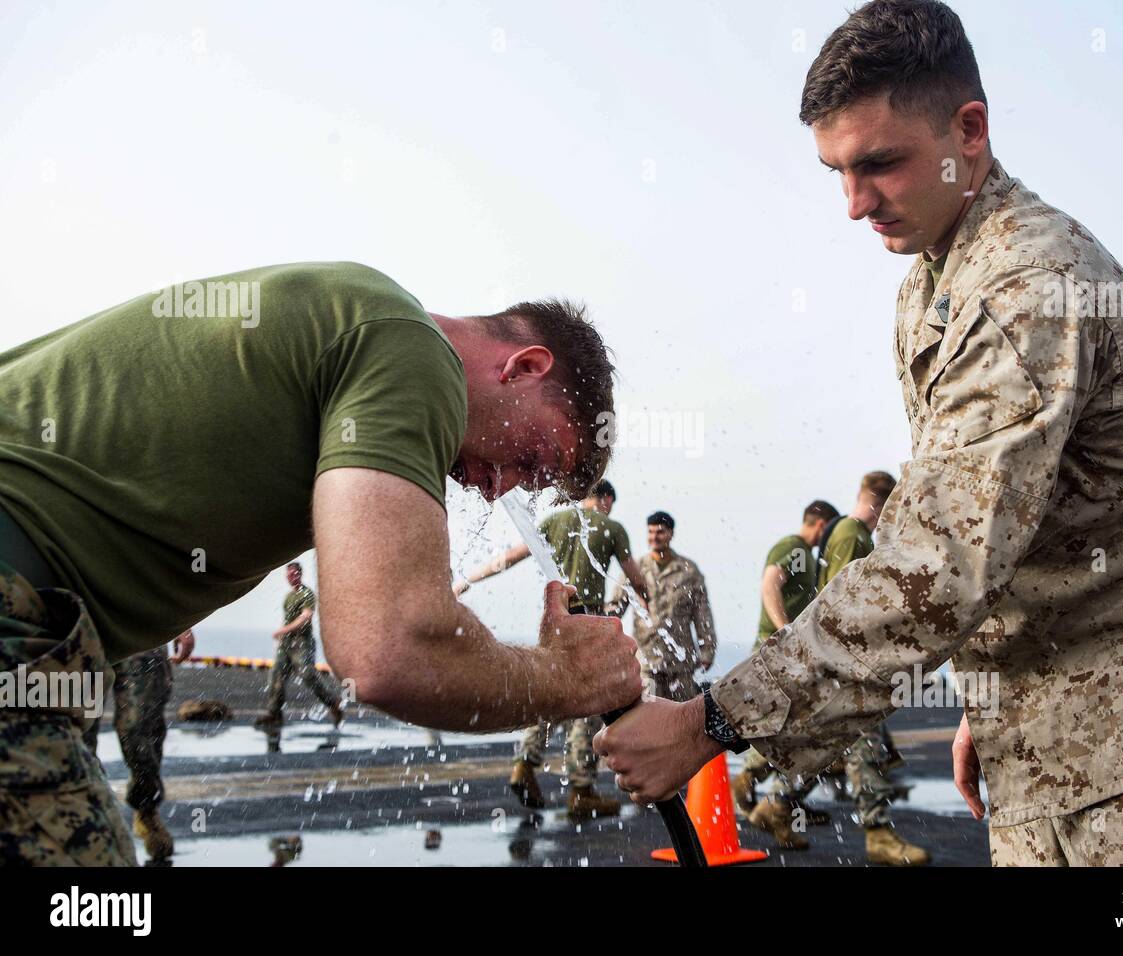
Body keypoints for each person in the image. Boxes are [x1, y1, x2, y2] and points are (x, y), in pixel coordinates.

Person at [596, 0, 1123, 867]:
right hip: (1059, 724)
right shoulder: (934, 279)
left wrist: (710, 725)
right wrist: (995, 697)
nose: (854, 204)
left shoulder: (1023, 287)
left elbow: (938, 563)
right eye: (835, 172)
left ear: (969, 129)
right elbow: (999, 525)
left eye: (879, 165)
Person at [0, 262, 641, 865]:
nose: (502, 489)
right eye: (534, 461)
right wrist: (567, 679)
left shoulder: (359, 327)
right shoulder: (413, 352)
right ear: (525, 367)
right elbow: (392, 650)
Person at [456, 479, 648, 818]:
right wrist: (641, 602)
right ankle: (581, 790)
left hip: (555, 621)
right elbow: (636, 579)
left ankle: (524, 764)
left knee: (549, 692)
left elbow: (511, 557)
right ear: (605, 499)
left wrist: (465, 581)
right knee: (587, 706)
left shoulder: (554, 520)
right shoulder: (613, 527)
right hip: (588, 620)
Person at [817, 471, 932, 866]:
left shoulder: (849, 534)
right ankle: (877, 833)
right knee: (861, 743)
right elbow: (844, 605)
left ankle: (772, 798)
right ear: (880, 503)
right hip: (850, 665)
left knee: (833, 741)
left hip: (849, 662)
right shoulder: (852, 536)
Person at [734, 500, 836, 850]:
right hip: (778, 651)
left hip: (782, 652)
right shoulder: (792, 547)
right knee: (807, 728)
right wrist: (785, 633)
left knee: (786, 725)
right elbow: (768, 586)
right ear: (821, 524)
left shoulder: (802, 554)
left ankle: (761, 791)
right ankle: (766, 797)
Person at [84, 629, 195, 863]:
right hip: (75, 621)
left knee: (141, 726)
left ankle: (146, 807)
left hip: (138, 624)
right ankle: (85, 815)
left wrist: (182, 625)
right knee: (76, 731)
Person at [615, 510, 716, 702]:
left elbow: (702, 613)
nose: (655, 537)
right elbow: (616, 607)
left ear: (671, 534)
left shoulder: (689, 571)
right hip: (645, 660)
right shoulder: (636, 569)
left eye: (660, 532)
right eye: (651, 532)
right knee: (646, 716)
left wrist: (707, 649)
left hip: (680, 662)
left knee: (682, 718)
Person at [254, 563, 345, 729]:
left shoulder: (307, 594)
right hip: (286, 643)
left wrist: (283, 630)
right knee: (276, 676)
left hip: (302, 641)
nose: (291, 578)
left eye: (294, 574)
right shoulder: (289, 596)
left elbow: (305, 617)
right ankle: (273, 714)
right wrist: (282, 638)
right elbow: (288, 618)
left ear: (300, 575)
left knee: (307, 674)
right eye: (288, 575)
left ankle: (333, 704)